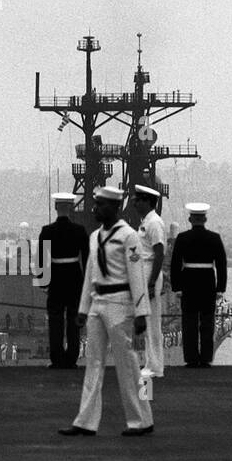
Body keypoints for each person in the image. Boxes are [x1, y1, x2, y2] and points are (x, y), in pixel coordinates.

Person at [59, 186, 153, 437]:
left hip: (120, 303)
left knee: (128, 364)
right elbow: (90, 273)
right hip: (98, 302)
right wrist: (83, 308)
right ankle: (85, 421)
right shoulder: (94, 237)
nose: (96, 208)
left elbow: (137, 275)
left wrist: (141, 311)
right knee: (93, 362)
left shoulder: (129, 237)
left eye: (101, 204)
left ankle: (141, 419)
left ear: (114, 207)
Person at [169, 202, 227, 368]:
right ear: (205, 219)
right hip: (208, 281)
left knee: (189, 322)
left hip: (188, 281)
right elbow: (221, 264)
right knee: (208, 322)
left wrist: (176, 287)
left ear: (190, 219)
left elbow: (175, 264)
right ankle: (206, 358)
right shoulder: (214, 238)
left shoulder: (182, 238)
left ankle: (191, 358)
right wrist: (220, 288)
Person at [36, 192, 88, 368]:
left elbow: (42, 259)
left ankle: (56, 359)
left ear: (56, 207)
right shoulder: (80, 231)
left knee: (55, 319)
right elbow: (87, 259)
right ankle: (72, 358)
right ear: (71, 208)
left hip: (56, 278)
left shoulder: (47, 230)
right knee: (74, 319)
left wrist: (44, 283)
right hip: (75, 277)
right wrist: (86, 284)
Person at [133, 184, 167, 379]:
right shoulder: (146, 221)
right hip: (143, 271)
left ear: (147, 201)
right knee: (146, 320)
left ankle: (155, 367)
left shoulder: (154, 223)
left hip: (149, 273)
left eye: (138, 200)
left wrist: (153, 281)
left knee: (152, 321)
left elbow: (159, 252)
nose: (135, 203)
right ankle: (150, 363)